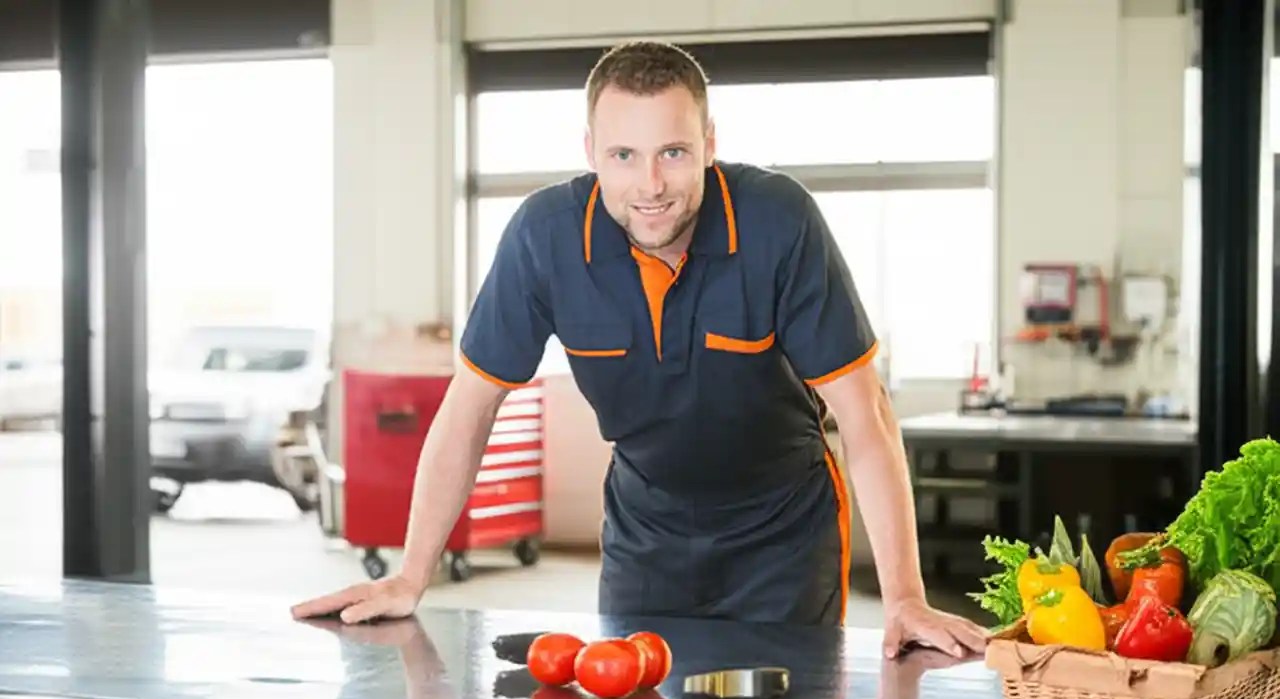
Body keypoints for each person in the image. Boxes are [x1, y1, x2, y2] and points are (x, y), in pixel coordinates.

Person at [292, 40, 988, 659]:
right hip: (644, 529)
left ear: (709, 144)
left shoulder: (780, 221)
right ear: (591, 150)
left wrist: (903, 596)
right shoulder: (544, 238)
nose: (650, 185)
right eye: (624, 155)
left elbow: (866, 417)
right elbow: (468, 412)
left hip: (782, 530)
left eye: (673, 153)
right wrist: (412, 573)